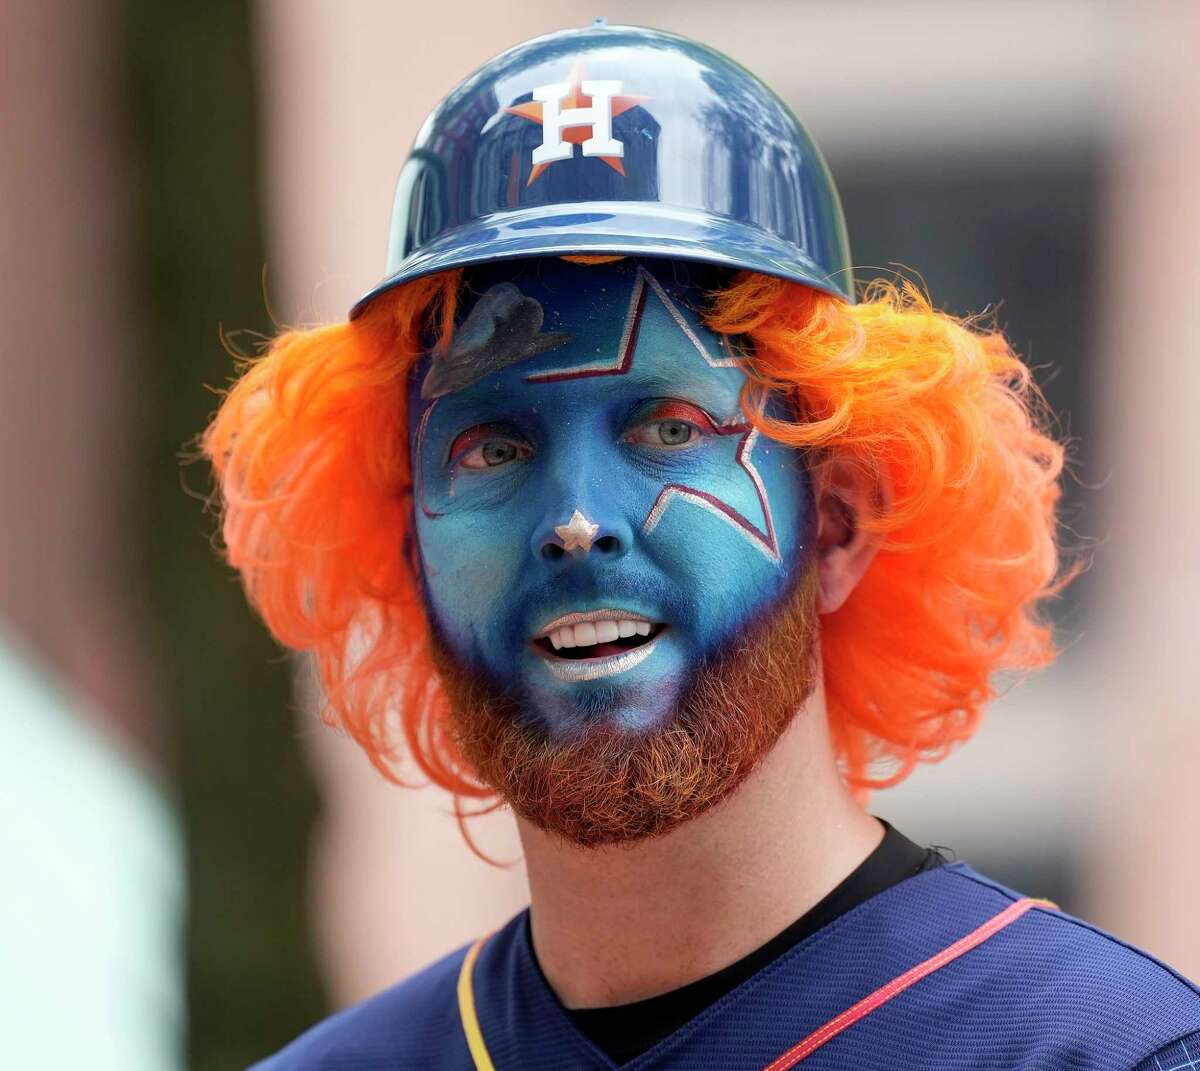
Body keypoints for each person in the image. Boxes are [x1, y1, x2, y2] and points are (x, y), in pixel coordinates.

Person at [204, 21, 1200, 1070]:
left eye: (668, 429)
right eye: (494, 447)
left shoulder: (1104, 1053)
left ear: (840, 518)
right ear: (409, 550)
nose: (576, 522)